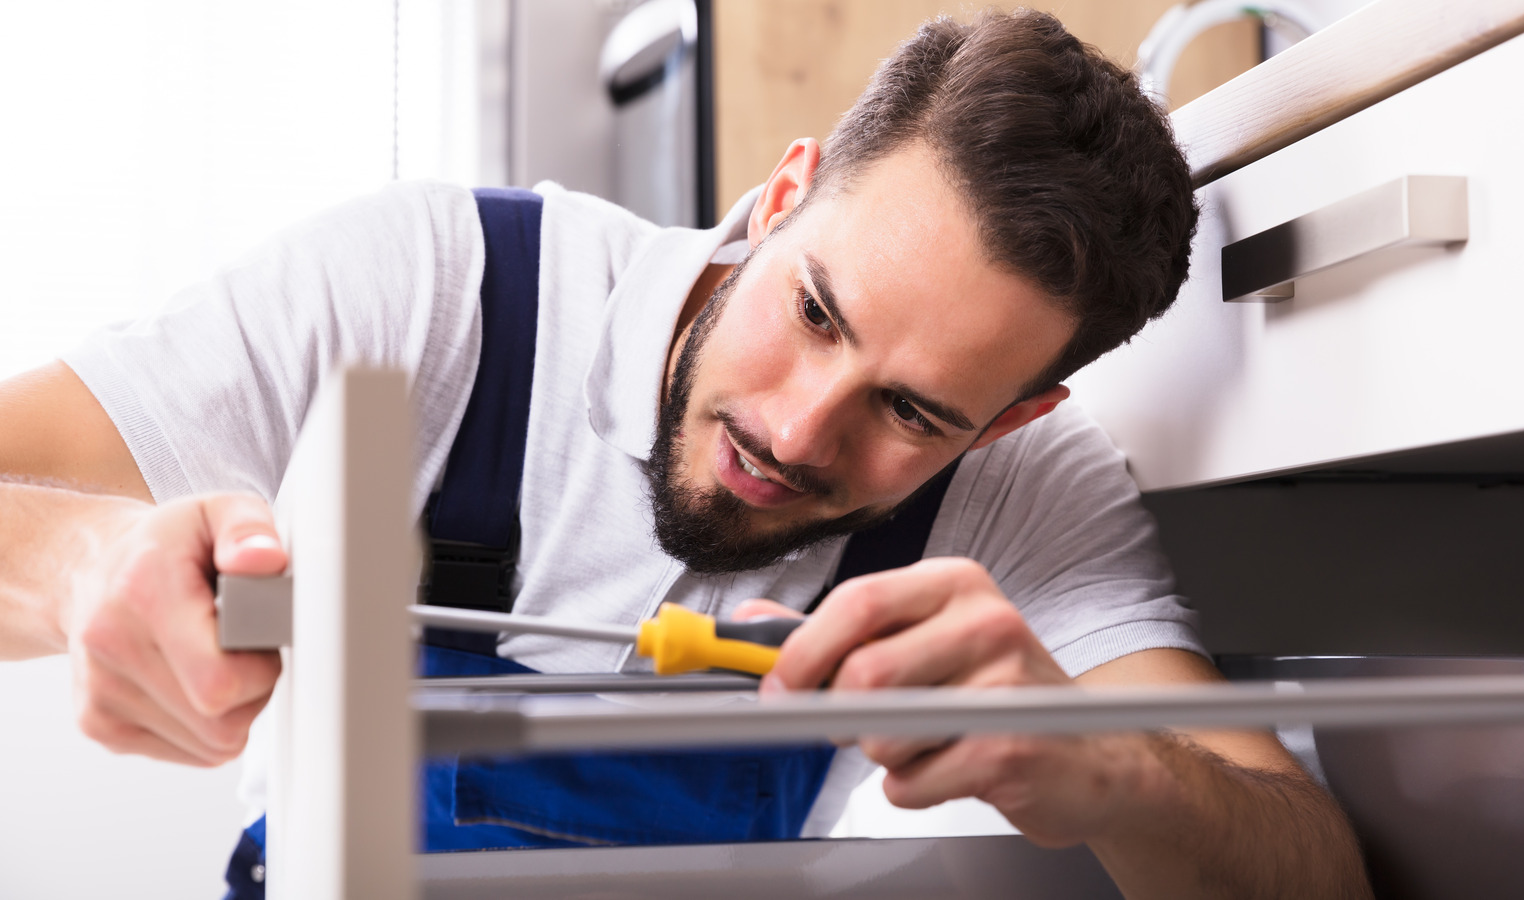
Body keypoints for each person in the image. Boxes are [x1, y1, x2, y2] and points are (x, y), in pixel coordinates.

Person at [0, 8, 1370, 898]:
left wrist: (1108, 763)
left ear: (1009, 421)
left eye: (914, 413)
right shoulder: (431, 291)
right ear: (776, 202)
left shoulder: (1027, 492)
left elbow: (1313, 869)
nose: (795, 428)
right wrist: (83, 566)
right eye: (813, 310)